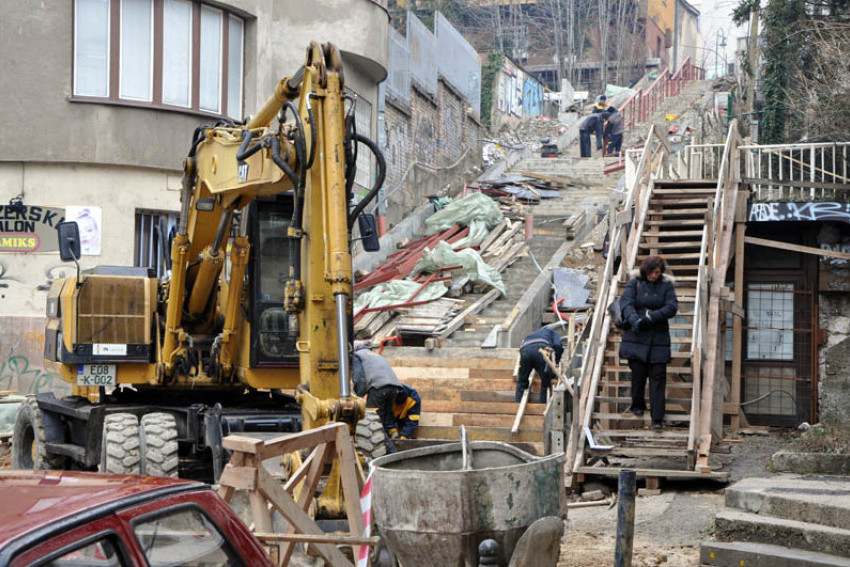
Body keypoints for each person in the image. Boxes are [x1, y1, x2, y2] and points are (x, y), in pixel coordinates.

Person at [617, 256, 678, 430]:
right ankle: (637, 404)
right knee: (638, 375)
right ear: (646, 271)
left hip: (658, 338)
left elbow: (671, 307)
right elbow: (626, 303)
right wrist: (634, 319)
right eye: (651, 272)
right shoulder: (634, 283)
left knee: (658, 378)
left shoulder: (666, 285)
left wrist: (650, 318)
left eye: (657, 272)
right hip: (636, 337)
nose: (654, 276)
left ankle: (657, 418)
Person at [351, 340, 405, 438]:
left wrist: (359, 396)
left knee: (374, 422)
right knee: (386, 418)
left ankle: (387, 446)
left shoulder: (357, 355)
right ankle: (393, 437)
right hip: (393, 387)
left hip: (378, 387)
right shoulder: (375, 355)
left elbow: (359, 378)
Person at [515, 327, 564, 404]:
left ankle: (517, 405)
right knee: (545, 382)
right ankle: (543, 406)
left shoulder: (533, 333)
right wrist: (557, 361)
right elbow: (558, 346)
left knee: (522, 380)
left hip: (525, 351)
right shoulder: (553, 333)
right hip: (541, 351)